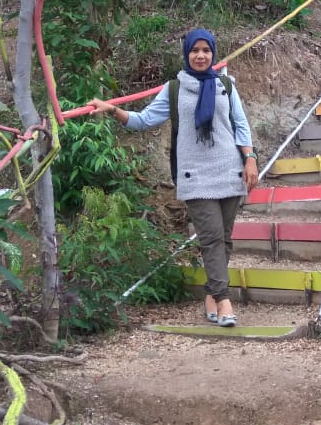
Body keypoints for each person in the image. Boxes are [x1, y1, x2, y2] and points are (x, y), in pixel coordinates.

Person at [90, 28, 258, 327]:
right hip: (195, 176)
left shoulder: (226, 86)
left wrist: (251, 160)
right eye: (195, 50)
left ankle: (210, 294)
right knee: (211, 238)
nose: (201, 55)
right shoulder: (174, 90)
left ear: (213, 54)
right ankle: (223, 300)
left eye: (206, 50)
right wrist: (112, 109)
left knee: (225, 239)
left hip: (230, 170)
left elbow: (241, 126)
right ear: (187, 53)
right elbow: (143, 121)